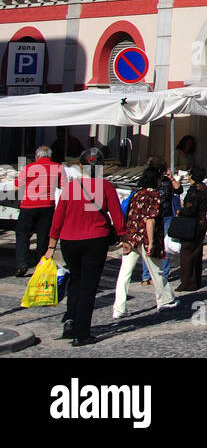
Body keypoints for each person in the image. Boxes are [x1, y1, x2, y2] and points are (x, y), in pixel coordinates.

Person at [44, 148, 127, 346]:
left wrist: (51, 246)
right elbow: (117, 215)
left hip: (69, 241)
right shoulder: (106, 186)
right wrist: (124, 238)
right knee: (88, 287)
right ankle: (81, 334)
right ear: (101, 166)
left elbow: (58, 217)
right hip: (95, 240)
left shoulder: (70, 187)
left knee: (76, 281)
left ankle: (70, 322)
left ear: (80, 166)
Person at [112, 165, 179, 318]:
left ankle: (119, 308)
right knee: (157, 270)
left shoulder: (136, 194)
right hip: (145, 238)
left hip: (131, 237)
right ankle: (164, 300)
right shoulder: (153, 195)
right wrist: (152, 242)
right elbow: (150, 220)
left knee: (124, 273)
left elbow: (130, 215)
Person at [14, 145, 64, 278]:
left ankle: (22, 264)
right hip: (47, 206)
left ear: (37, 156)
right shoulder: (58, 168)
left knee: (22, 235)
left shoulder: (28, 168)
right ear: (50, 156)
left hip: (28, 206)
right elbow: (64, 186)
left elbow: (16, 187)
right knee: (43, 237)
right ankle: (41, 266)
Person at [140, 156, 179, 286]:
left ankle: (159, 274)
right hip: (158, 215)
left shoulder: (166, 181)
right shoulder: (153, 180)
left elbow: (179, 190)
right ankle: (151, 275)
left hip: (165, 215)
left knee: (161, 244)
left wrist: (171, 177)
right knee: (154, 244)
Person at [175, 165, 207, 291]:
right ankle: (196, 280)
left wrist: (181, 211)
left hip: (192, 223)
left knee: (187, 252)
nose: (188, 177)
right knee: (196, 251)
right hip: (201, 222)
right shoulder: (205, 189)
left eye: (189, 174)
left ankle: (188, 282)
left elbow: (190, 209)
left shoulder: (195, 189)